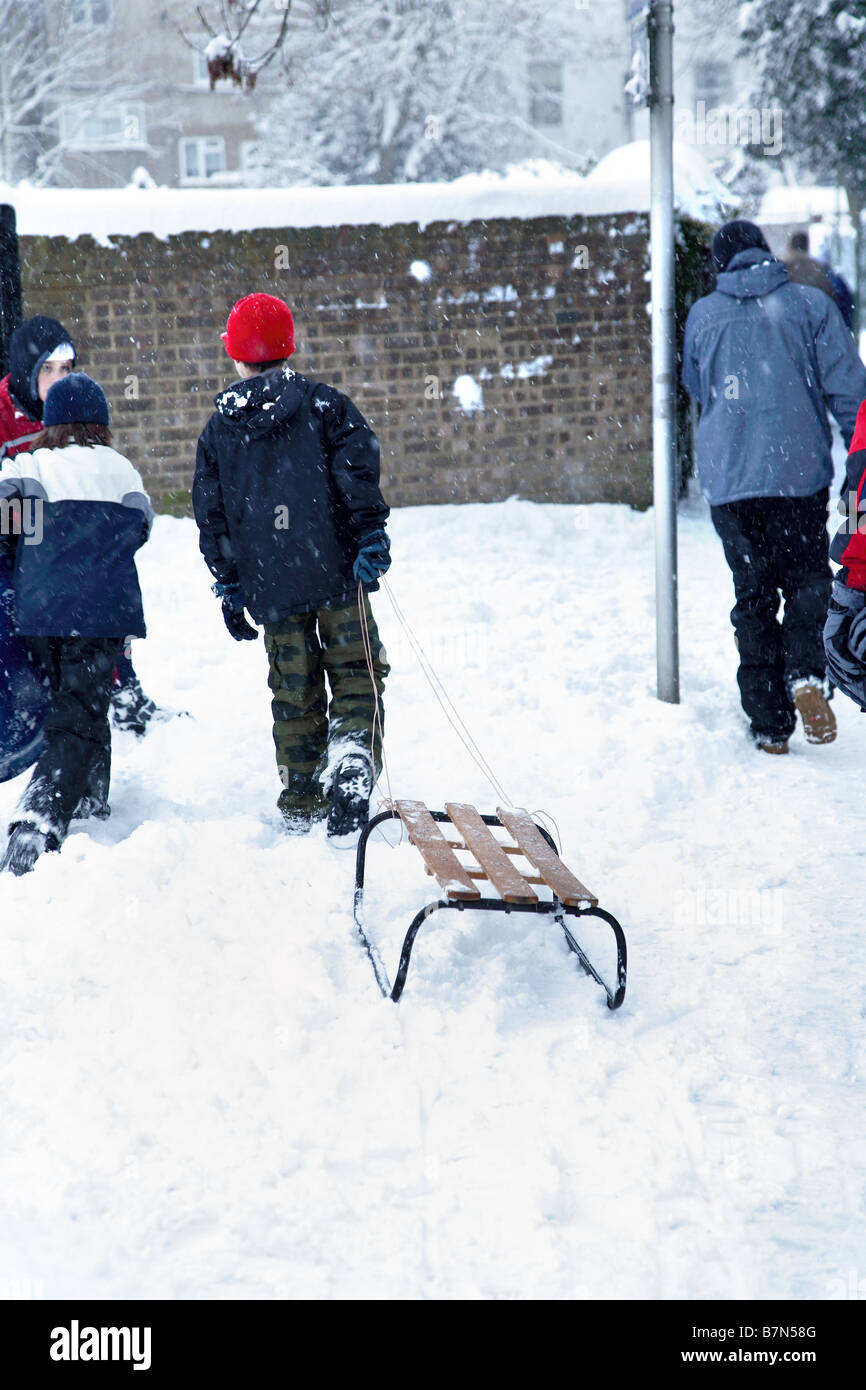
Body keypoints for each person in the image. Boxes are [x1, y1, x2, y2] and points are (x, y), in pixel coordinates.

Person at [193, 293, 391, 837]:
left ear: (235, 356)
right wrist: (370, 535)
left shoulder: (217, 432)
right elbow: (358, 476)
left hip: (272, 587)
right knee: (357, 675)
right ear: (289, 348)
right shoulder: (326, 407)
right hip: (337, 575)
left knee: (294, 692)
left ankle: (302, 800)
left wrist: (229, 582)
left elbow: (212, 516)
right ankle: (352, 756)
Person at [682, 219, 866, 754]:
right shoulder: (809, 305)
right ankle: (807, 675)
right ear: (765, 255)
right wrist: (860, 460)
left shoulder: (702, 314)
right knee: (809, 580)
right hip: (797, 472)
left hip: (731, 481)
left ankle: (768, 724)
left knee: (753, 596)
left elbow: (698, 385)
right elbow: (849, 391)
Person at [0, 374, 153, 874]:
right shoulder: (124, 471)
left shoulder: (30, 465)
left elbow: (6, 526)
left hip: (41, 610)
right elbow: (140, 528)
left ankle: (90, 797)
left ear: (50, 424)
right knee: (83, 707)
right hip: (102, 612)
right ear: (101, 423)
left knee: (74, 705)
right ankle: (38, 818)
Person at [0, 314, 162, 735]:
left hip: (62, 542)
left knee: (100, 582)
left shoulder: (70, 411)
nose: (58, 380)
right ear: (25, 372)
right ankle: (31, 711)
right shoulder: (3, 418)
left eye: (66, 369)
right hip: (18, 544)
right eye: (47, 370)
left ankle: (118, 690)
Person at [785, 230, 855, 331]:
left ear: (789, 246)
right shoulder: (819, 270)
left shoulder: (781, 268)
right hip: (818, 330)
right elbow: (841, 299)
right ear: (807, 247)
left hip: (790, 331)